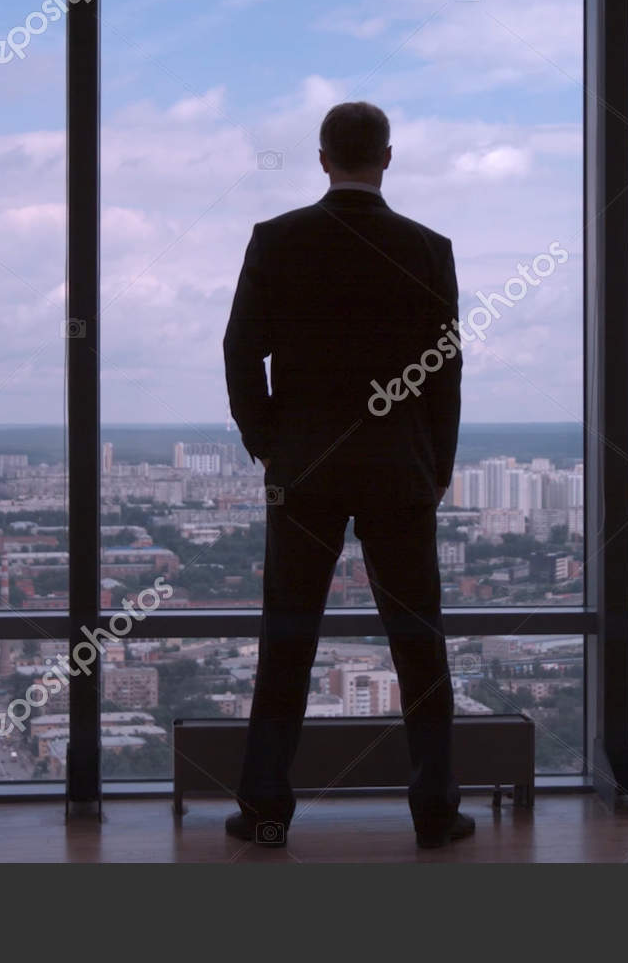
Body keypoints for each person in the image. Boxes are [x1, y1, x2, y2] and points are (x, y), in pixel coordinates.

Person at [222, 101, 471, 850]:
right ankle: (434, 811)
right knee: (419, 643)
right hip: (399, 468)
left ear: (323, 157)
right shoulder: (429, 249)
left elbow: (241, 351)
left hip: (306, 469)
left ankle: (266, 808)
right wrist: (437, 467)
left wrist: (271, 444)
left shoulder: (278, 241)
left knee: (287, 641)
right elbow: (445, 375)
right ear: (386, 158)